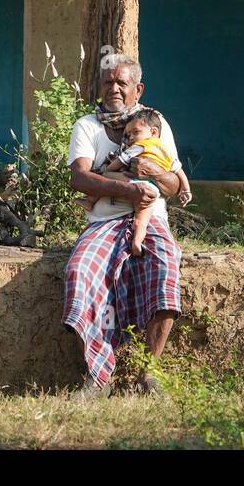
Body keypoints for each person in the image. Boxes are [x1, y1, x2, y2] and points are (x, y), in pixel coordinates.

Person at [63, 53, 185, 395]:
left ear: (138, 88)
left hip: (151, 218)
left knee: (164, 268)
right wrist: (126, 190)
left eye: (122, 83)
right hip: (103, 221)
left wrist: (153, 173)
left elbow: (173, 185)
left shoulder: (155, 122)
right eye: (108, 82)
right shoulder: (87, 125)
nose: (114, 88)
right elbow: (79, 177)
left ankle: (150, 373)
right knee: (80, 269)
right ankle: (97, 375)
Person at [77, 107, 192, 256]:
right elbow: (179, 171)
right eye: (128, 134)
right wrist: (187, 190)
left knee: (104, 178)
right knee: (142, 220)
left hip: (133, 181)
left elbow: (121, 160)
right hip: (152, 190)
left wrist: (106, 170)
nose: (130, 137)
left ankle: (90, 201)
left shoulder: (140, 146)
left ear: (154, 132)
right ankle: (137, 241)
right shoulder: (165, 151)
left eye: (135, 132)